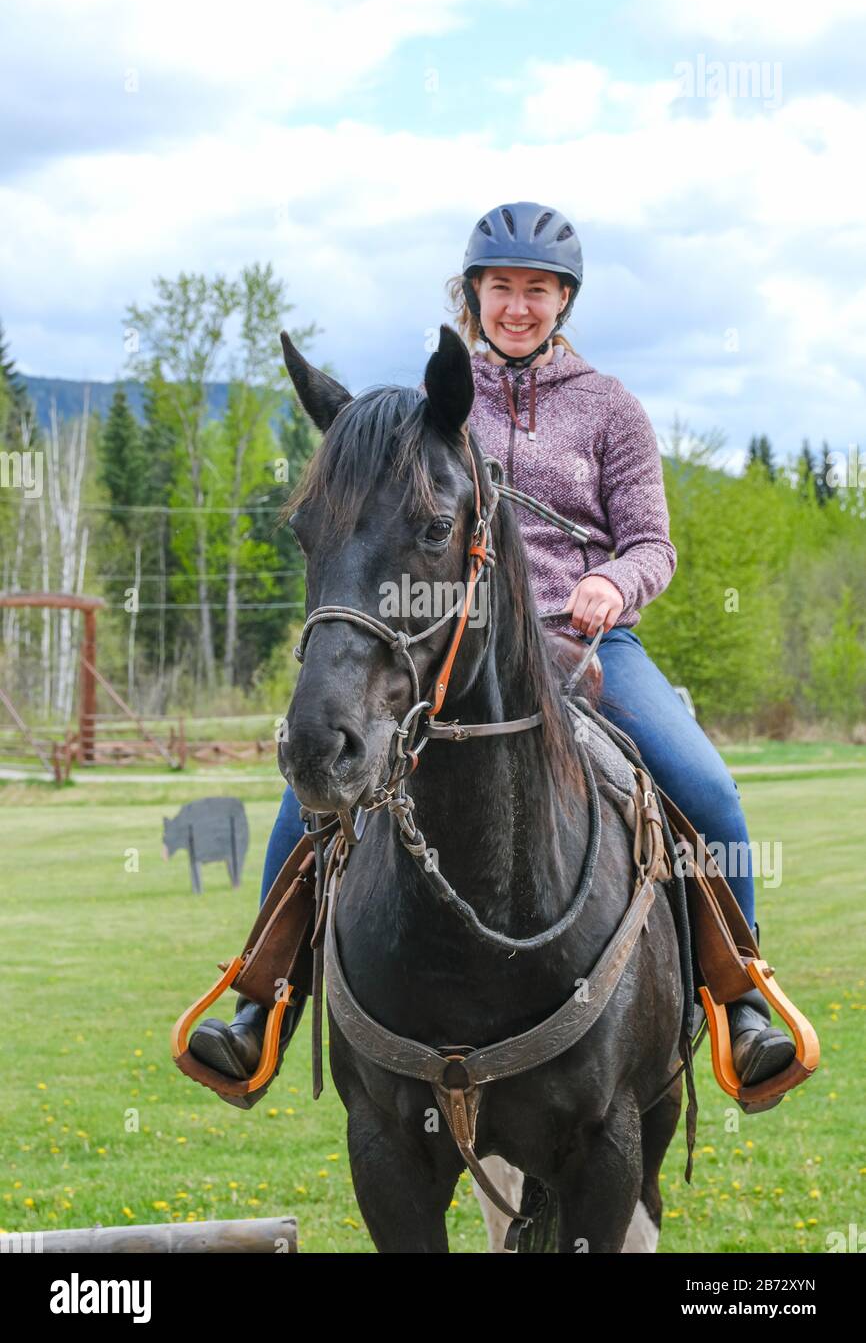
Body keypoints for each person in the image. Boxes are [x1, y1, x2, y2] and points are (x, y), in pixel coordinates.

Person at [190, 200, 796, 1109]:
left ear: (564, 301)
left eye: (538, 290)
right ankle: (265, 1000)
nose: (518, 306)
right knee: (310, 793)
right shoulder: (431, 409)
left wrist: (614, 587)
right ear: (472, 295)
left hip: (590, 641)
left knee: (707, 789)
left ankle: (740, 1000)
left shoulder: (610, 409)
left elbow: (653, 545)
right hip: (450, 646)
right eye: (501, 287)